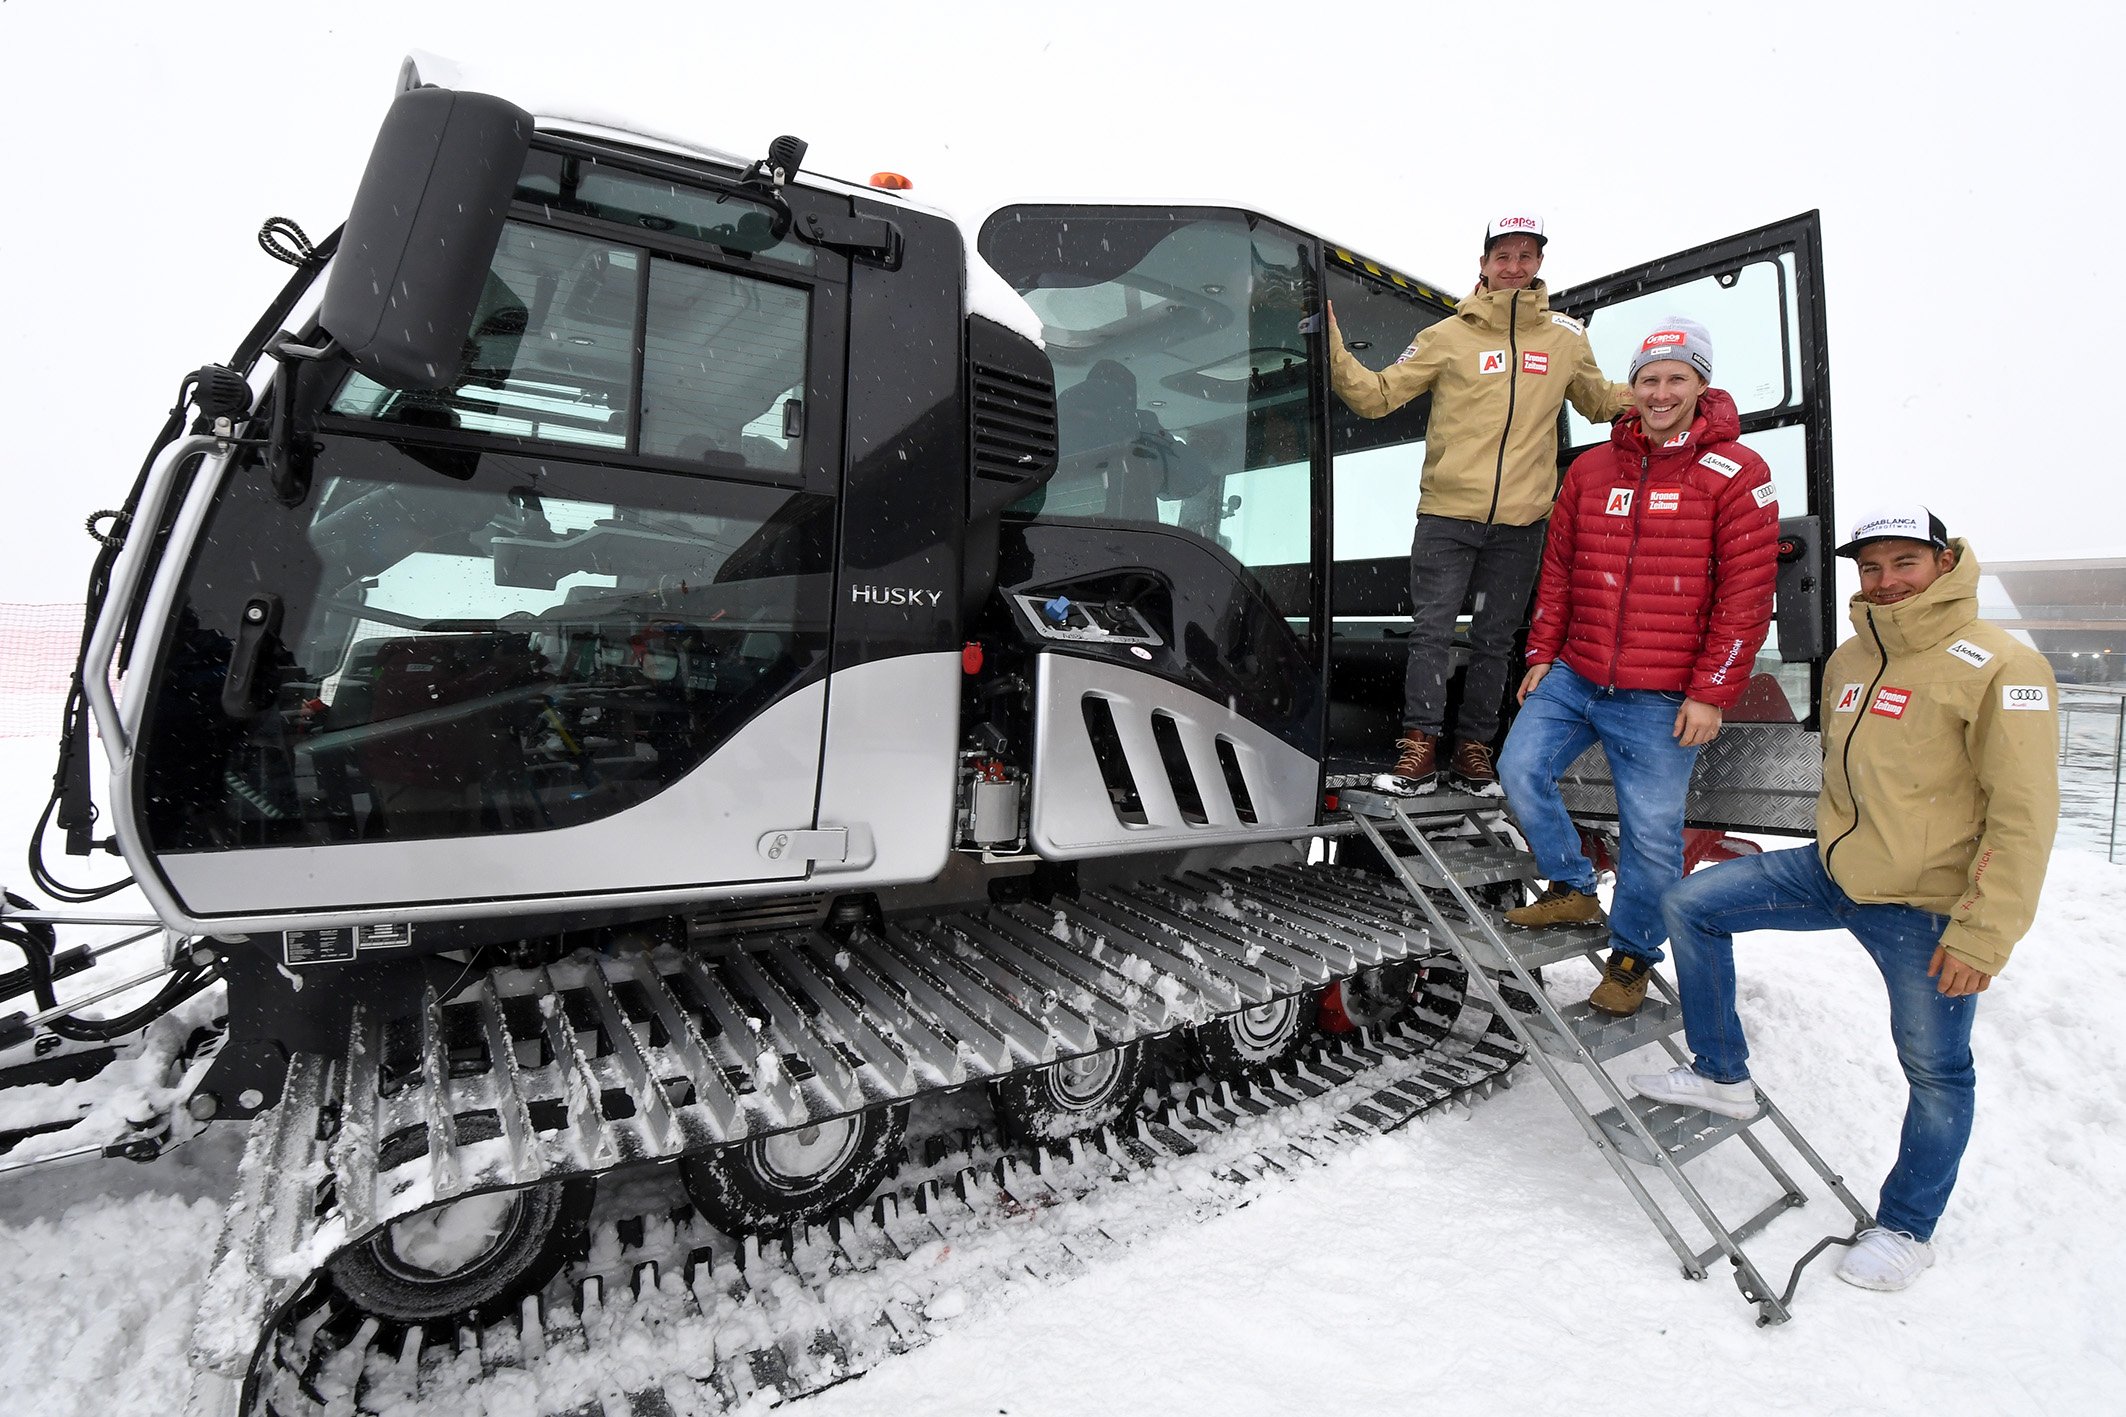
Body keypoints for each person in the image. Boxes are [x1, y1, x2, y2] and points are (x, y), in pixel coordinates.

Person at [1632, 507, 2058, 1292]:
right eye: (1870, 567)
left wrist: (1982, 933)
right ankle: (1723, 1073)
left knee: (1936, 1072)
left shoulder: (2003, 665)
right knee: (1692, 903)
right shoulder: (1852, 658)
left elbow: (2024, 813)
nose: (1886, 580)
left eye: (1904, 562)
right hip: (1834, 873)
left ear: (1943, 560)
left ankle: (1908, 1227)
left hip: (1925, 905)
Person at [1494, 318, 1779, 1018]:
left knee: (1652, 835)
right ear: (1632, 387)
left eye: (1675, 378)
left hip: (1662, 695)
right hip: (1578, 673)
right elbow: (1557, 571)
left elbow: (1746, 597)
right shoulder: (1591, 469)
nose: (1659, 392)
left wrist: (1712, 693)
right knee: (1518, 769)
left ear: (1701, 384)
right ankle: (1571, 884)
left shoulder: (1739, 473)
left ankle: (1631, 956)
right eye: (1648, 379)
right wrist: (1542, 655)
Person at [1327, 215, 1630, 795]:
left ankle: (1473, 751)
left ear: (1539, 263)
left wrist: (1670, 389)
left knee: (1496, 639)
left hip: (1521, 524)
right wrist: (1332, 344)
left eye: (1526, 255)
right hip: (1447, 515)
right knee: (1431, 633)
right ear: (1483, 263)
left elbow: (1598, 401)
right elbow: (1377, 397)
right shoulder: (1447, 337)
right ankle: (1418, 747)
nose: (1514, 267)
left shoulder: (1565, 338)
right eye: (1503, 256)